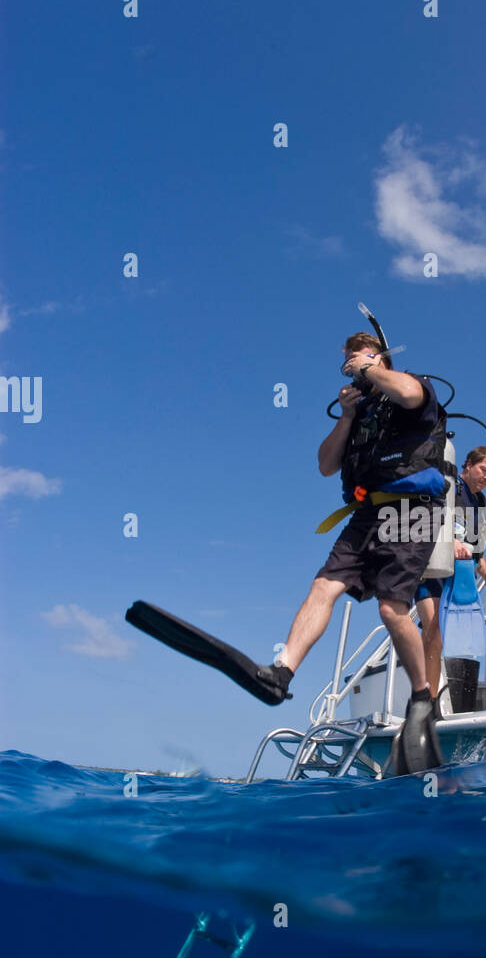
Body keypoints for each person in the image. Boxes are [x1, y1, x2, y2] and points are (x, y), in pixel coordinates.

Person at [127, 330, 447, 771]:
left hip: (412, 511)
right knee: (323, 585)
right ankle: (281, 674)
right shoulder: (361, 410)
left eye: (360, 356)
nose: (353, 365)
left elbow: (410, 394)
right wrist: (348, 416)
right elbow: (325, 465)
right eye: (348, 360)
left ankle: (421, 697)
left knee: (393, 611)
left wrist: (373, 368)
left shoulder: (413, 385)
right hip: (366, 513)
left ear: (380, 357)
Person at [415, 446, 486, 700]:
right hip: (431, 567)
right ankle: (424, 699)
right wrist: (450, 541)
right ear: (467, 465)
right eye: (483, 470)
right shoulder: (451, 486)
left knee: (441, 636)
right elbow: (430, 517)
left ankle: (428, 698)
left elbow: (476, 549)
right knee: (431, 630)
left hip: (458, 574)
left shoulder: (481, 501)